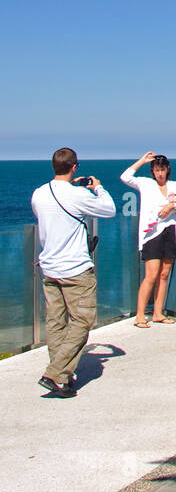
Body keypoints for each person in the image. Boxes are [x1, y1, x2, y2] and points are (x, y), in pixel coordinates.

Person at [31, 148, 118, 397]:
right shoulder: (77, 195)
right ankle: (55, 373)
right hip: (76, 270)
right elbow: (109, 209)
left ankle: (63, 378)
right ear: (74, 167)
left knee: (56, 323)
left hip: (49, 268)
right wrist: (98, 188)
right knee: (82, 321)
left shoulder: (39, 194)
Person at [121, 152, 176, 327]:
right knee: (151, 274)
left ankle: (158, 313)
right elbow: (125, 177)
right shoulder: (145, 184)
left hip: (172, 231)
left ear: (167, 169)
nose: (159, 173)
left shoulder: (175, 185)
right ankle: (140, 315)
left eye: (162, 169)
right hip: (151, 234)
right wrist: (142, 160)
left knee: (164, 274)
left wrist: (171, 206)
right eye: (156, 170)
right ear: (152, 171)